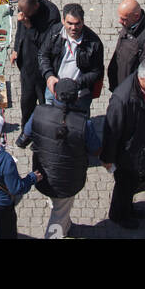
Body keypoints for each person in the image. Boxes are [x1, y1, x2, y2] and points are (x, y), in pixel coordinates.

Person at [100, 57, 145, 228]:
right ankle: (118, 215)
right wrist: (107, 159)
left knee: (131, 185)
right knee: (124, 185)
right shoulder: (122, 99)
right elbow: (111, 131)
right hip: (126, 155)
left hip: (140, 147)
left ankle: (128, 208)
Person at [30, 76, 101, 239]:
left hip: (42, 174)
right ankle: (54, 235)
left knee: (58, 206)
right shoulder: (83, 123)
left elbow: (25, 136)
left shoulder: (39, 112)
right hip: (67, 180)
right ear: (77, 97)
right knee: (59, 213)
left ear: (55, 95)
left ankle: (66, 225)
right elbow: (95, 149)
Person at [11, 0, 61, 145]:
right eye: (21, 12)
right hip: (27, 65)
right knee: (26, 102)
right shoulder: (25, 9)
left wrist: (29, 26)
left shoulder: (51, 15)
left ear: (36, 6)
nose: (23, 15)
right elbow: (20, 28)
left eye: (27, 13)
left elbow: (46, 45)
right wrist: (16, 48)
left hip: (42, 68)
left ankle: (42, 136)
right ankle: (26, 131)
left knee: (44, 104)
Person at [39, 4, 104, 114]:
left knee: (78, 127)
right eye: (70, 23)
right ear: (63, 20)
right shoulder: (55, 33)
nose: (73, 28)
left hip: (80, 96)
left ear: (83, 21)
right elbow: (43, 55)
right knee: (51, 123)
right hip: (54, 90)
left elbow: (96, 72)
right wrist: (49, 76)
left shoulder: (94, 43)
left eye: (77, 23)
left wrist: (75, 85)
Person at [107, 0, 145, 92]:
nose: (119, 21)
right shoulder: (130, 25)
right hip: (121, 85)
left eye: (124, 19)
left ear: (136, 16)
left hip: (132, 94)